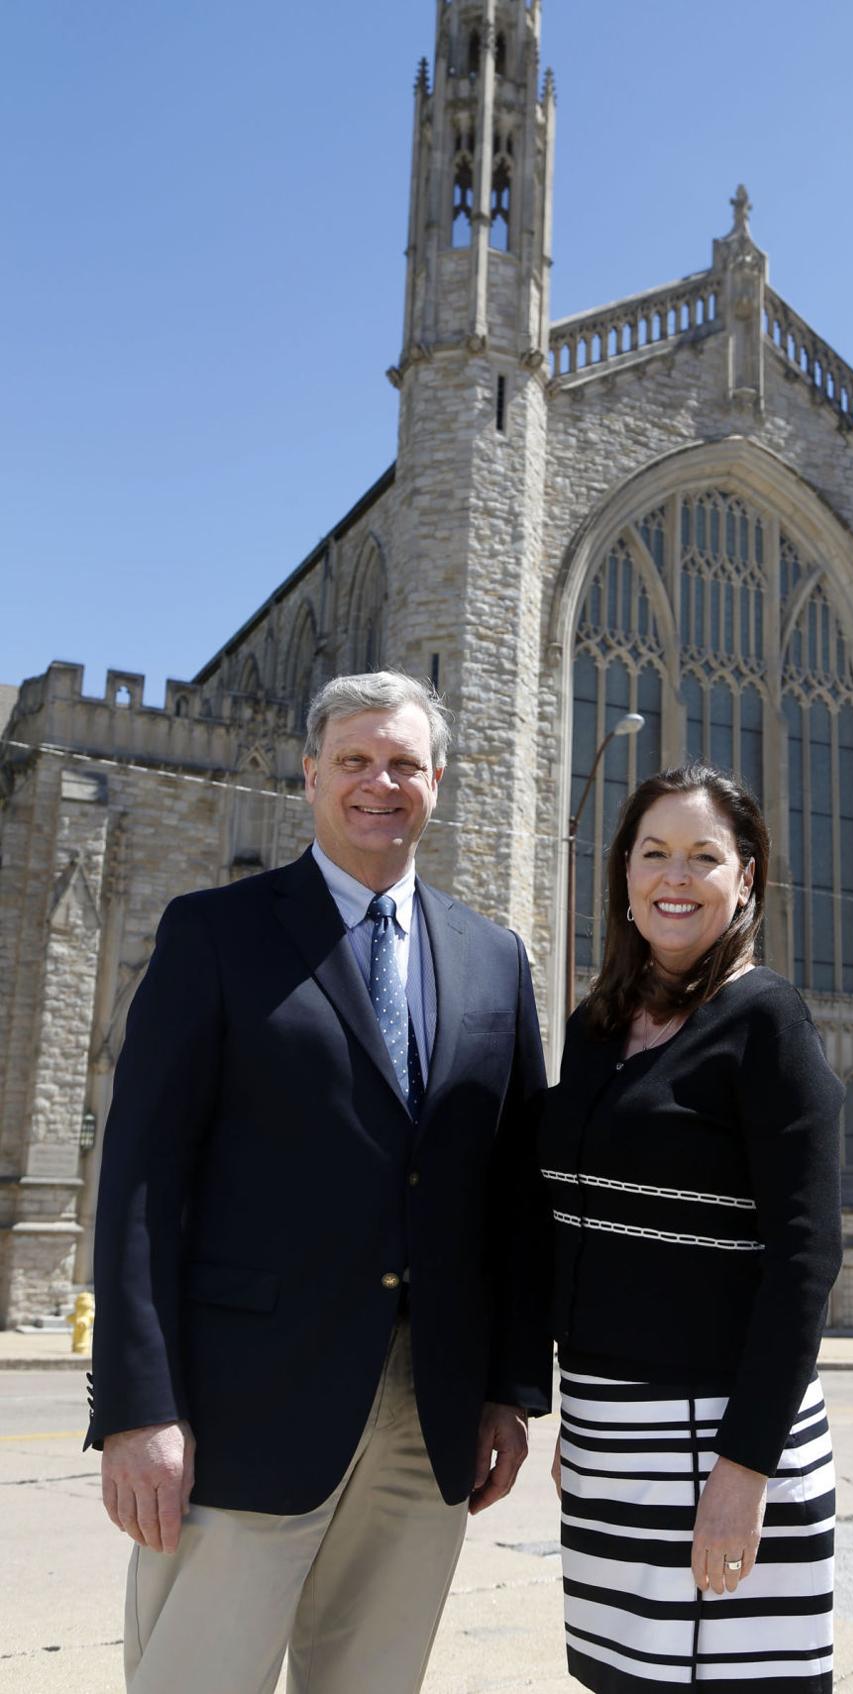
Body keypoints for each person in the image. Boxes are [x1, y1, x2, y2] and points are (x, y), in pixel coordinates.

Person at [86, 669, 551, 1694]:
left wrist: (510, 1392)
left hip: (425, 1416)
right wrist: (136, 1405)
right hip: (241, 1410)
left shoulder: (494, 961)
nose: (379, 781)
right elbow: (140, 1185)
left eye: (403, 762)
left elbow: (515, 1191)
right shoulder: (216, 933)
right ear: (309, 776)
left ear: (440, 780)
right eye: (354, 759)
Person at [541, 763, 845, 1692]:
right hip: (606, 1440)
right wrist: (573, 1409)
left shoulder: (768, 1021)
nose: (675, 876)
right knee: (622, 1679)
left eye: (704, 856)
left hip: (722, 1441)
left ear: (744, 878)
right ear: (624, 873)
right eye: (655, 852)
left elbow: (805, 1260)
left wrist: (744, 1471)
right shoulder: (596, 1028)